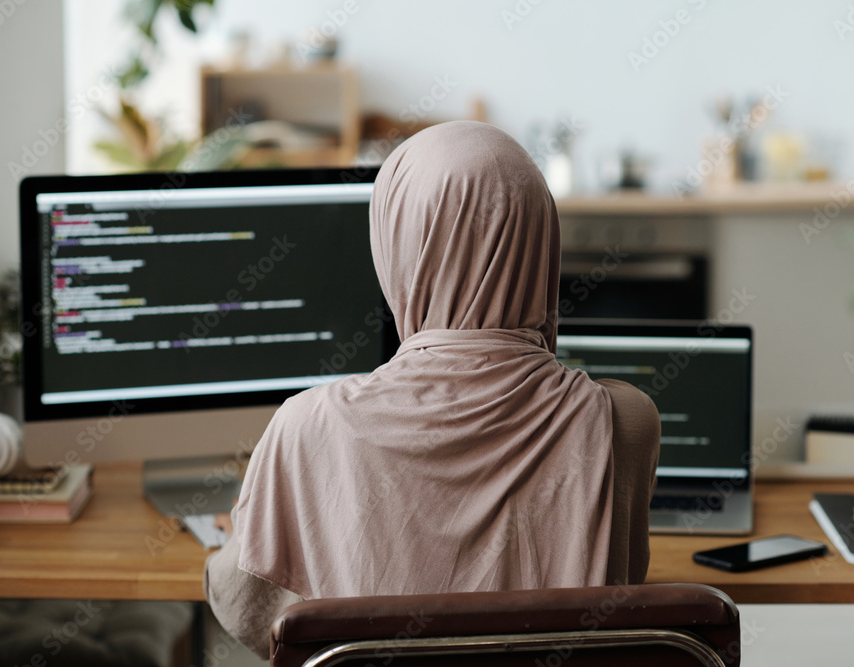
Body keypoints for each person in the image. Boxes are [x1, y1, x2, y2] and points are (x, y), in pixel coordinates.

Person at [203, 121, 660, 659]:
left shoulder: (306, 427)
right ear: (541, 241)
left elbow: (248, 609)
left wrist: (243, 523)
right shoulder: (625, 421)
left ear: (399, 248)